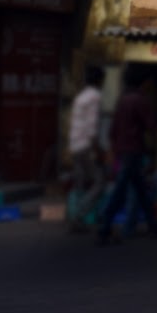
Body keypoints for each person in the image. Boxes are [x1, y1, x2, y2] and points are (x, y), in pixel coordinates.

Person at [96, 68, 157, 245]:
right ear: (143, 83)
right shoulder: (140, 101)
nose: (150, 85)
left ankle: (153, 226)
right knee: (121, 192)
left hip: (124, 152)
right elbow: (153, 129)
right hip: (132, 152)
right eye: (149, 82)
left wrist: (112, 152)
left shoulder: (122, 100)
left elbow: (113, 131)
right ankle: (104, 227)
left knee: (141, 191)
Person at [67, 66, 106, 230]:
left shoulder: (80, 97)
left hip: (75, 145)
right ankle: (78, 215)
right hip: (85, 146)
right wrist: (98, 150)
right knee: (99, 183)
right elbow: (92, 127)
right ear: (100, 80)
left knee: (80, 184)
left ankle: (77, 219)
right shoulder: (95, 97)